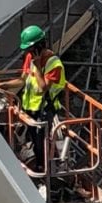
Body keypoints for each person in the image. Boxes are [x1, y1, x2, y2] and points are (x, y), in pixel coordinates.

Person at [16, 25, 67, 169]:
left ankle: (43, 169)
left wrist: (37, 66)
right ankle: (37, 163)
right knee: (31, 137)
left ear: (39, 46)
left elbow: (42, 88)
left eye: (31, 50)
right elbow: (22, 80)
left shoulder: (54, 64)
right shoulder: (30, 58)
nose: (29, 53)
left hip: (45, 109)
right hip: (30, 107)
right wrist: (1, 84)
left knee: (41, 142)